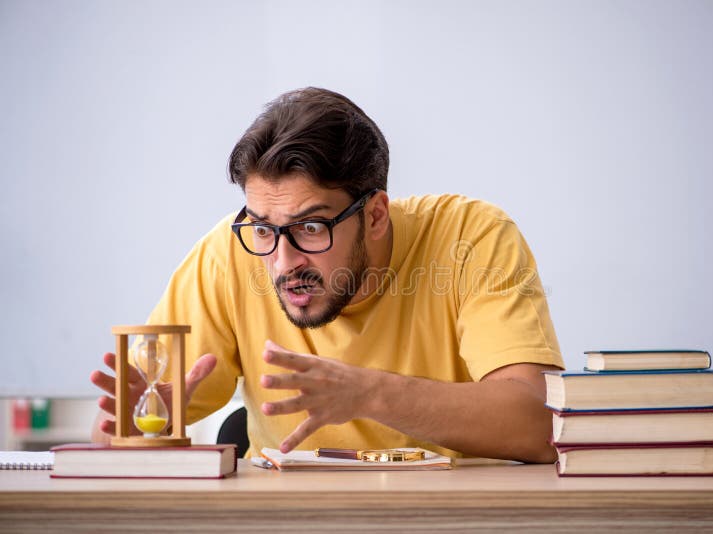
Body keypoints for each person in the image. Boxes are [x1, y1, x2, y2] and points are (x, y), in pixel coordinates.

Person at [90, 87, 564, 462]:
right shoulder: (226, 254)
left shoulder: (471, 237)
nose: (283, 262)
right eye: (262, 228)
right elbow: (107, 440)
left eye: (311, 227)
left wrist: (369, 393)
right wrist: (139, 425)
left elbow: (537, 426)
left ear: (376, 215)